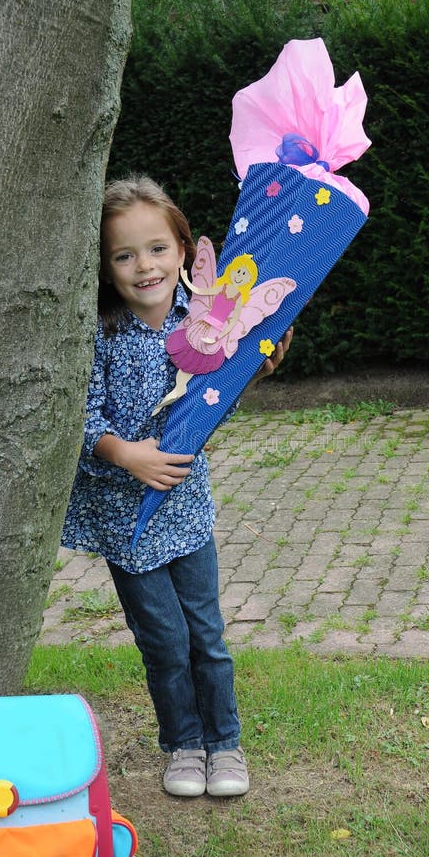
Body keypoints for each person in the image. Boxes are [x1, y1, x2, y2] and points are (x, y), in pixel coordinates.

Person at [62, 175, 292, 798]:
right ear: (106, 267)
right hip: (125, 520)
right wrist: (125, 454)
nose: (145, 266)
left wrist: (257, 360)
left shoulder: (206, 324)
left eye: (157, 248)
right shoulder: (98, 337)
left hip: (186, 511)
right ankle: (184, 746)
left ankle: (225, 743)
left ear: (185, 251)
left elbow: (212, 401)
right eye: (124, 254)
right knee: (164, 641)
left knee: (206, 638)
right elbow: (79, 418)